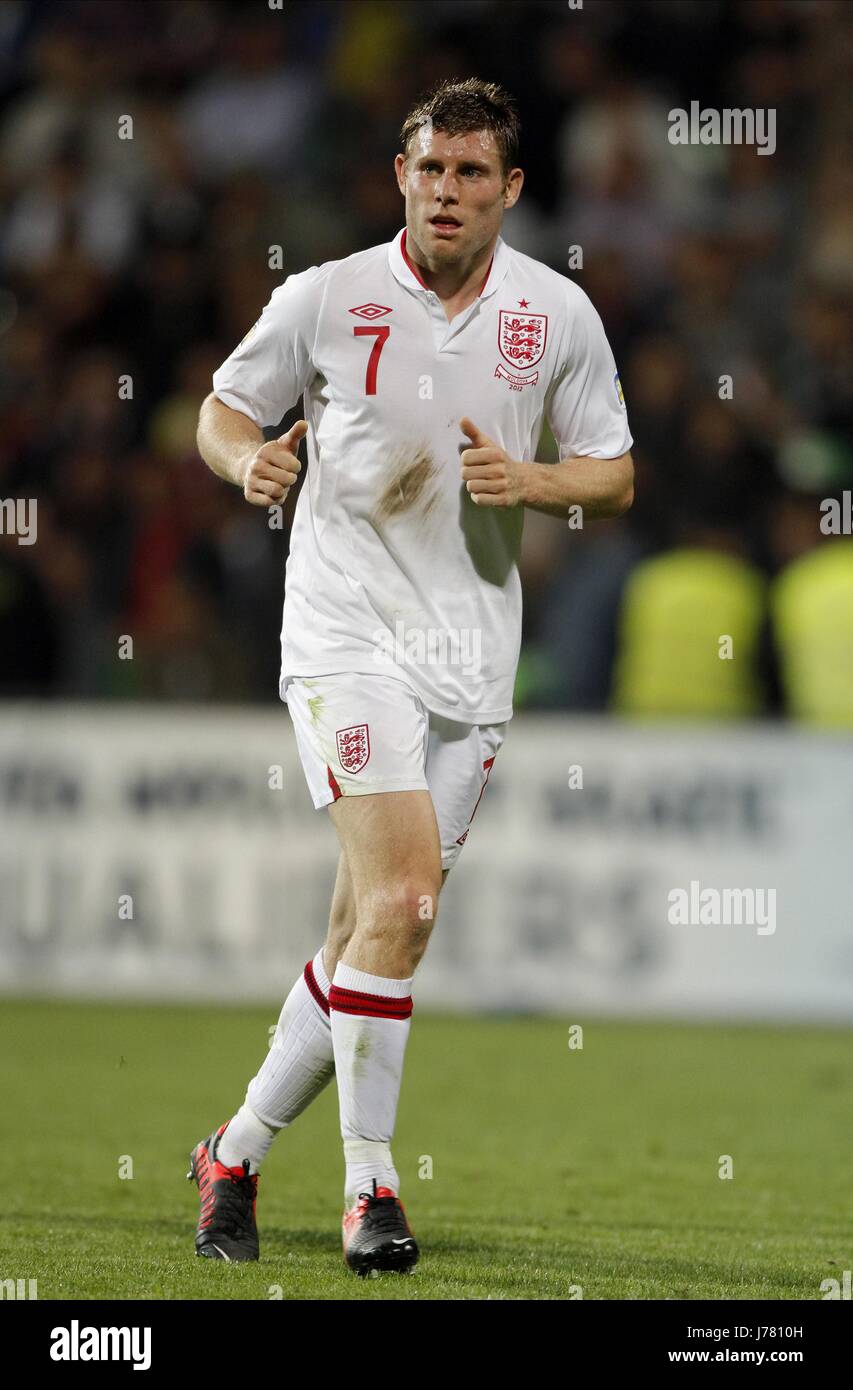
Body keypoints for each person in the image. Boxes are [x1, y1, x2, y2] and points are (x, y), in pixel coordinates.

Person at [192, 77, 633, 1276]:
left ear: (511, 190)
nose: (447, 192)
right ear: (401, 174)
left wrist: (535, 483)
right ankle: (369, 1187)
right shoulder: (324, 296)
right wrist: (248, 467)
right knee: (402, 904)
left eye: (472, 174)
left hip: (472, 658)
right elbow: (221, 411)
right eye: (430, 170)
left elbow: (611, 472)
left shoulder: (558, 315)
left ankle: (230, 1151)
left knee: (369, 933)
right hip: (344, 641)